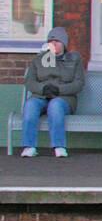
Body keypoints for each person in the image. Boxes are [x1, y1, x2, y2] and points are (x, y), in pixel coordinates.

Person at [21, 26, 84, 158]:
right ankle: (29, 146)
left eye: (57, 42)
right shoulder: (39, 60)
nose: (54, 44)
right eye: (51, 41)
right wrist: (42, 89)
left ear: (64, 44)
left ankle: (59, 146)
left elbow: (78, 84)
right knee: (30, 105)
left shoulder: (74, 59)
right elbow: (30, 82)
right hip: (41, 96)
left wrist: (59, 90)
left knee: (55, 106)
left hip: (64, 98)